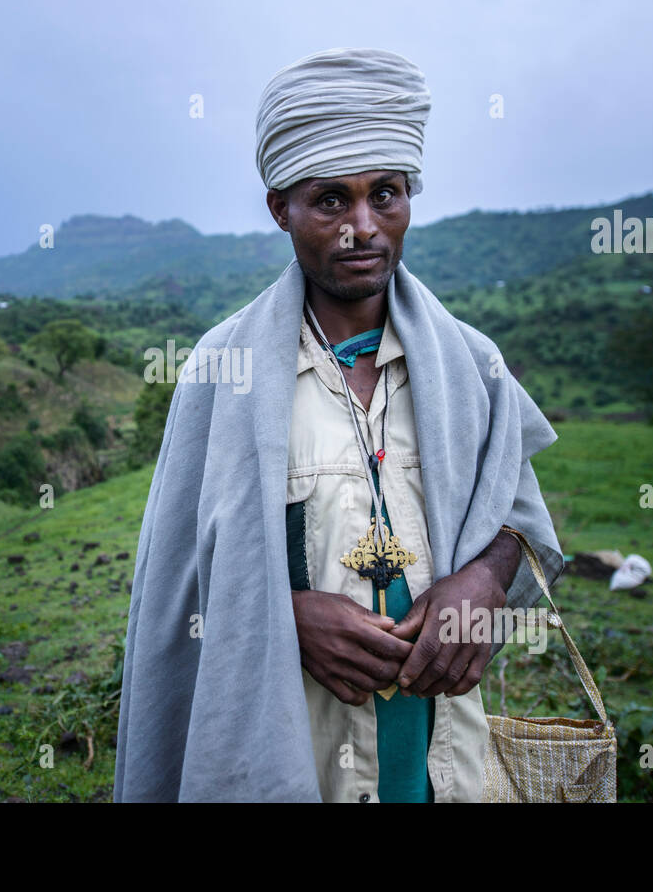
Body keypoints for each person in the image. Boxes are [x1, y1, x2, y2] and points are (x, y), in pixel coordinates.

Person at [114, 48, 565, 802]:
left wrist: (484, 582)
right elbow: (176, 591)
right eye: (331, 201)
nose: (364, 226)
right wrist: (281, 620)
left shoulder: (470, 365)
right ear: (279, 208)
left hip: (438, 752)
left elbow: (518, 523)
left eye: (385, 195)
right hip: (291, 755)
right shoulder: (222, 371)